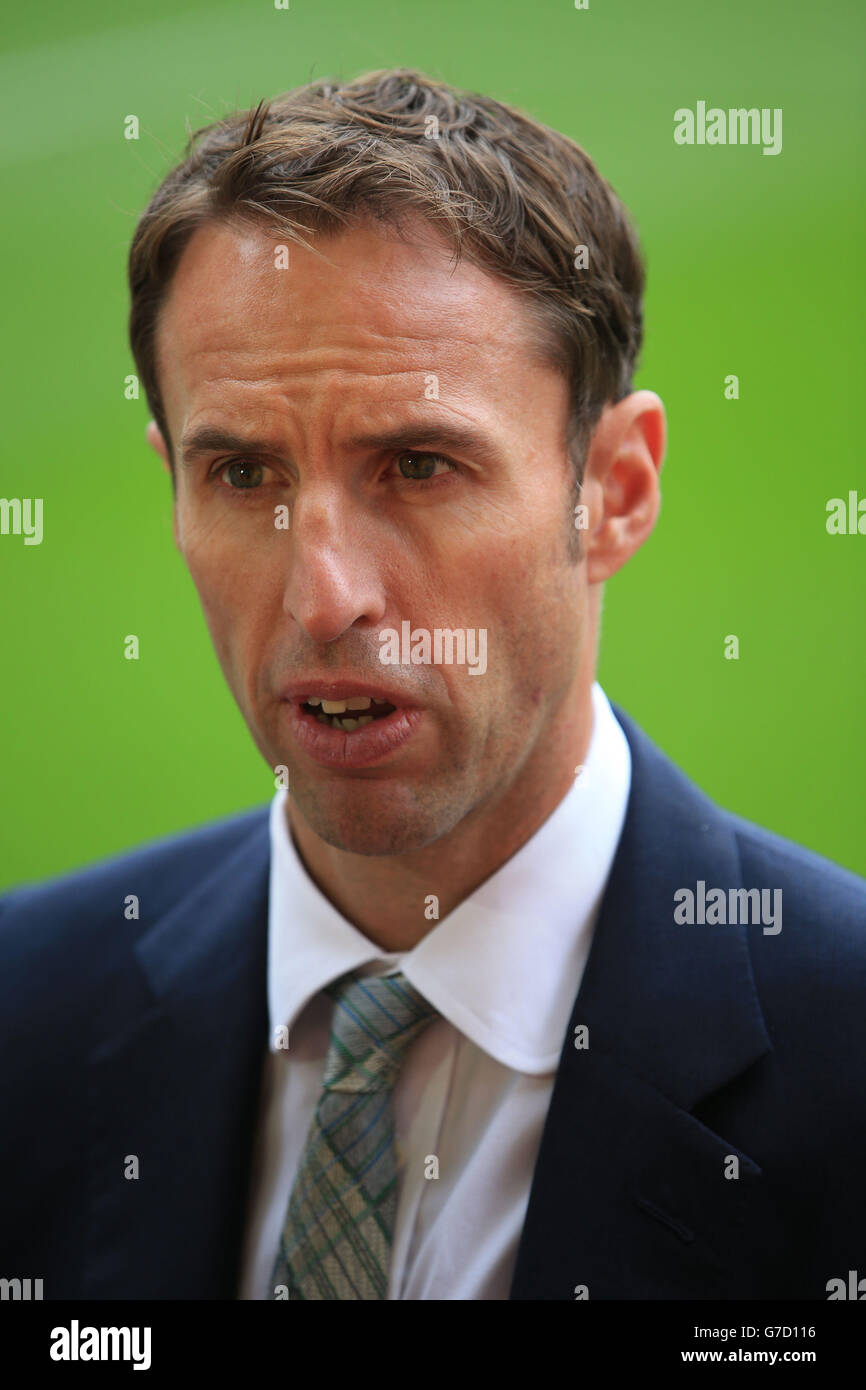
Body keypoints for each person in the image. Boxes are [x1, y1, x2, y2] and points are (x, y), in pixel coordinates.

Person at [1, 68, 864, 1303]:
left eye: (416, 465)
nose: (322, 597)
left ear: (612, 490)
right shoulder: (23, 1011)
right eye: (243, 476)